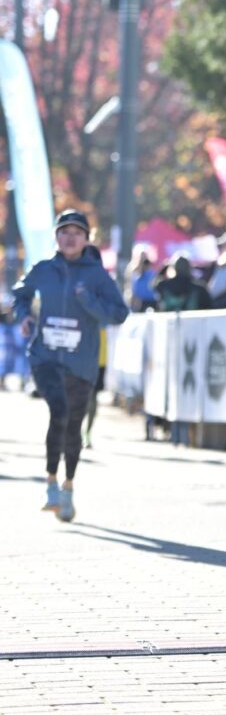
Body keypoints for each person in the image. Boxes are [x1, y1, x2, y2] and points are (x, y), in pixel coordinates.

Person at [12, 209, 129, 521]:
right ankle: (50, 482)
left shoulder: (96, 276)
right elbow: (20, 294)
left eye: (76, 233)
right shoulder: (43, 269)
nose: (70, 237)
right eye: (64, 232)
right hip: (45, 357)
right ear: (56, 237)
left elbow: (119, 313)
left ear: (86, 239)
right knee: (59, 410)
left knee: (73, 425)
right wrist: (24, 315)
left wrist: (88, 300)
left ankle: (68, 486)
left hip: (81, 363)